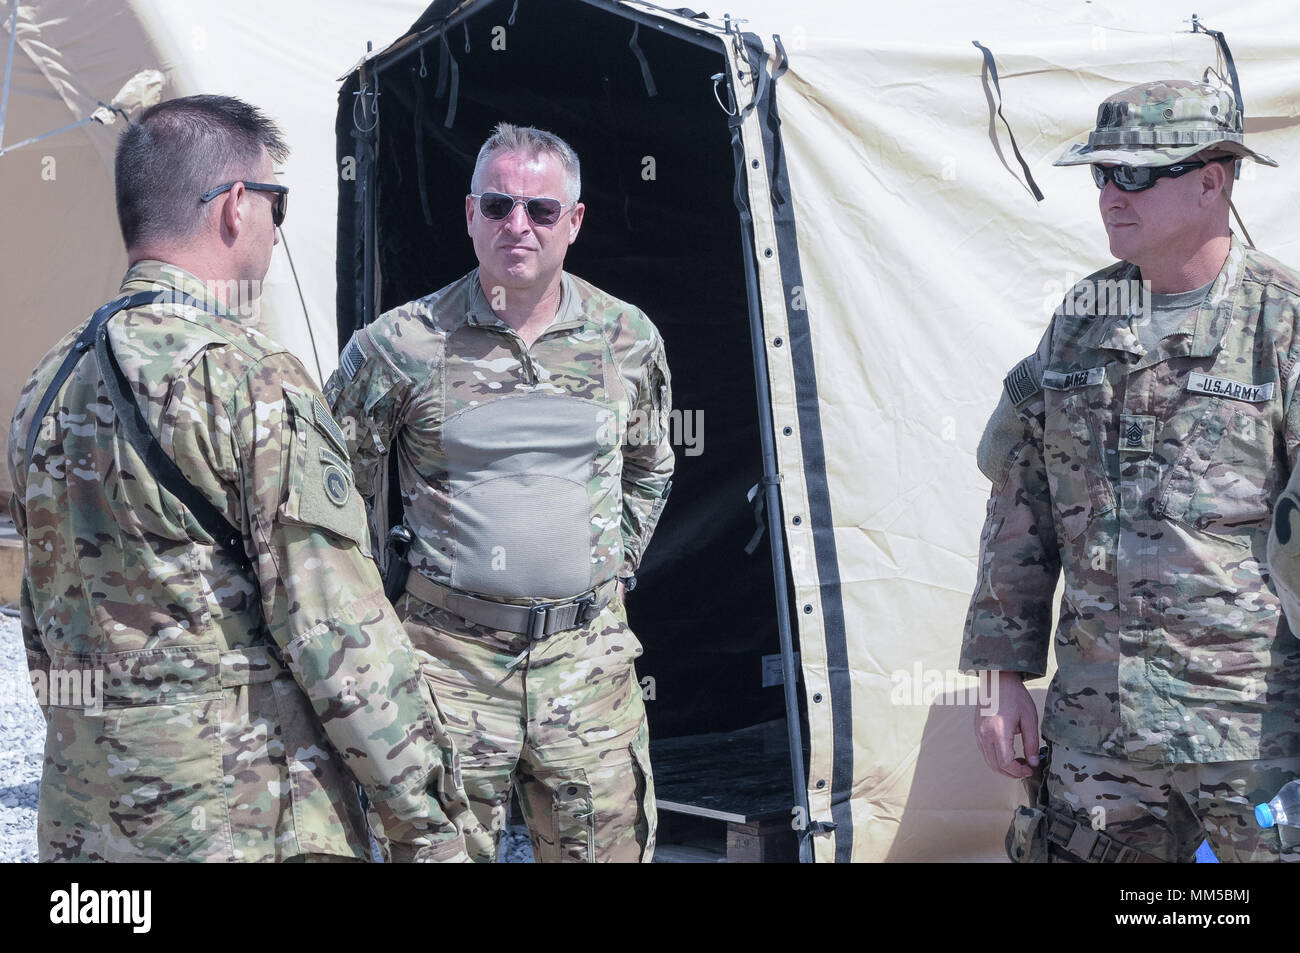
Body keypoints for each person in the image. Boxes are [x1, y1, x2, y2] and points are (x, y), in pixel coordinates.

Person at [7, 94, 471, 863]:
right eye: (276, 203)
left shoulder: (45, 382)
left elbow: (45, 627)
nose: (275, 226)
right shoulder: (248, 379)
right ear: (233, 208)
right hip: (238, 820)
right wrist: (430, 826)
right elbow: (341, 637)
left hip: (82, 826)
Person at [962, 80, 1300, 862]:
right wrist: (1001, 673)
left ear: (1210, 180)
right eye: (1102, 174)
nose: (1112, 193)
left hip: (1252, 731)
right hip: (1098, 728)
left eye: (1136, 174)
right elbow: (1020, 499)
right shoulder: (1082, 318)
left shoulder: (1282, 324)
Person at [326, 122, 674, 862]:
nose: (518, 225)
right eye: (498, 205)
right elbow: (328, 496)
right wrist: (371, 633)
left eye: (541, 210)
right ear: (469, 214)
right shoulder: (401, 345)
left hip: (587, 666)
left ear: (574, 222)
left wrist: (610, 566)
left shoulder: (627, 339)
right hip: (447, 667)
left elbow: (650, 463)